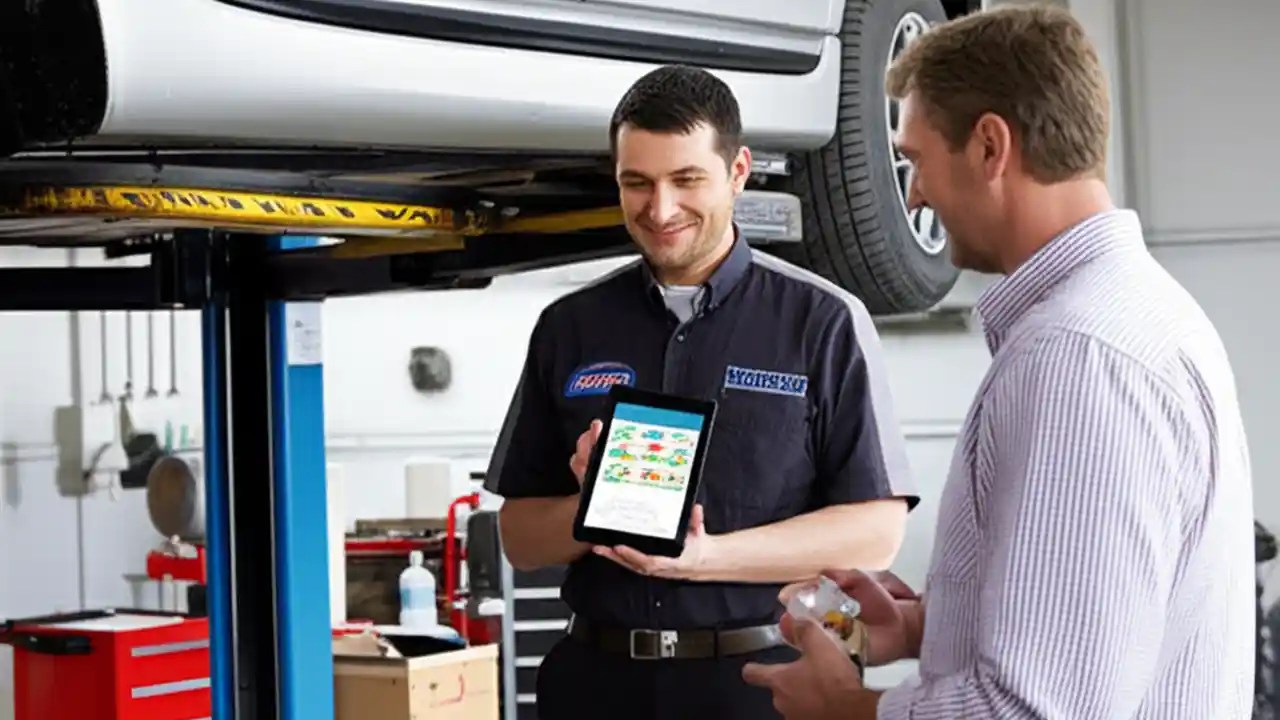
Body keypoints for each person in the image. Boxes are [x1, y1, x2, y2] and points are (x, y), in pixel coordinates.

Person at [743, 5, 1256, 719]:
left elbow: (1038, 710)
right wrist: (926, 627)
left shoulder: (1078, 360)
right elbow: (1104, 635)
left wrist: (848, 710)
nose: (914, 193)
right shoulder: (1144, 315)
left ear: (990, 147)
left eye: (916, 159)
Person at [483, 64, 918, 719]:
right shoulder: (568, 327)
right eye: (638, 183)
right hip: (596, 685)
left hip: (765, 682)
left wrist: (701, 559)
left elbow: (876, 533)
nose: (660, 210)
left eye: (686, 180)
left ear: (738, 170)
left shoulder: (822, 321)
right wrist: (593, 506)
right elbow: (518, 535)